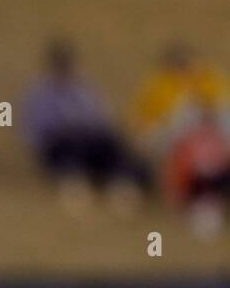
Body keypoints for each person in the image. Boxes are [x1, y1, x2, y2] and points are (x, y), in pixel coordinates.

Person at [131, 44, 230, 239]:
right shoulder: (159, 89)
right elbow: (148, 130)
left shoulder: (210, 82)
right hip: (182, 154)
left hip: (216, 152)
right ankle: (207, 203)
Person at [22, 41, 150, 215]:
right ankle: (75, 187)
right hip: (61, 145)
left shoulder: (84, 89)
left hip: (90, 142)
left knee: (113, 145)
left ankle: (122, 187)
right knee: (70, 148)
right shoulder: (41, 94)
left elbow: (101, 118)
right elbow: (37, 132)